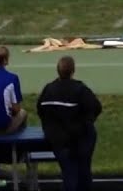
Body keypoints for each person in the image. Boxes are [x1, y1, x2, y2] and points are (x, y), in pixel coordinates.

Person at [37, 56, 103, 191]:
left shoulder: (48, 89)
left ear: (58, 71)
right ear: (73, 71)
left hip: (57, 140)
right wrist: (86, 123)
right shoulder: (80, 89)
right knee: (82, 171)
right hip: (79, 139)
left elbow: (40, 111)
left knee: (69, 171)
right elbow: (96, 108)